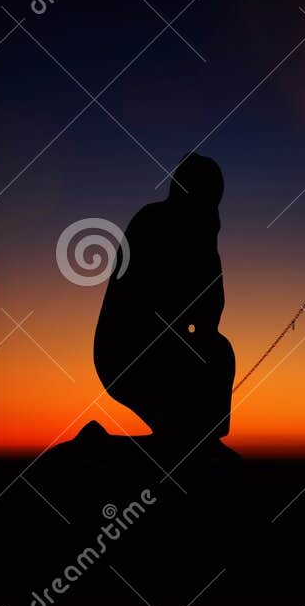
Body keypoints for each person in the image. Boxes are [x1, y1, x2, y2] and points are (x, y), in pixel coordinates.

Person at [93, 153, 234, 454]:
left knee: (218, 352)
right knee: (216, 354)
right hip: (128, 353)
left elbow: (210, 309)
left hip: (166, 348)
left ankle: (193, 441)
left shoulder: (200, 235)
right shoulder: (153, 221)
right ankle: (189, 447)